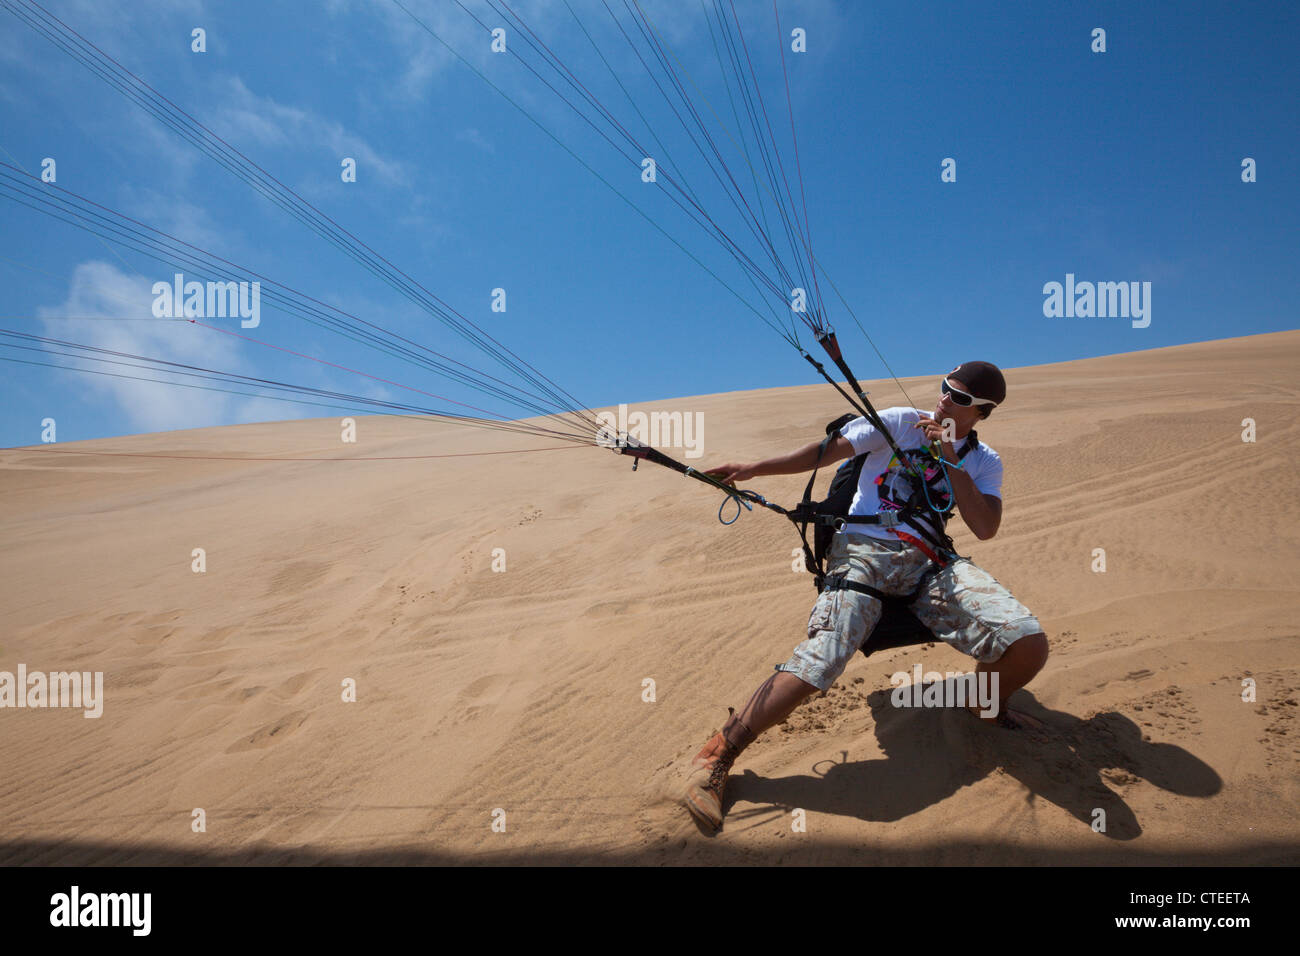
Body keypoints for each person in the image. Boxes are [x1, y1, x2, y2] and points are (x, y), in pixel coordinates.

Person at [683, 361, 1050, 830]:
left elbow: (985, 527)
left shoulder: (984, 460)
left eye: (957, 398)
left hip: (931, 564)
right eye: (944, 388)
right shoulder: (898, 422)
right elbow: (823, 453)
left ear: (982, 412)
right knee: (822, 659)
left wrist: (950, 459)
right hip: (860, 554)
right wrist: (753, 468)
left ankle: (984, 702)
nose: (943, 400)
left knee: (1028, 641)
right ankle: (715, 756)